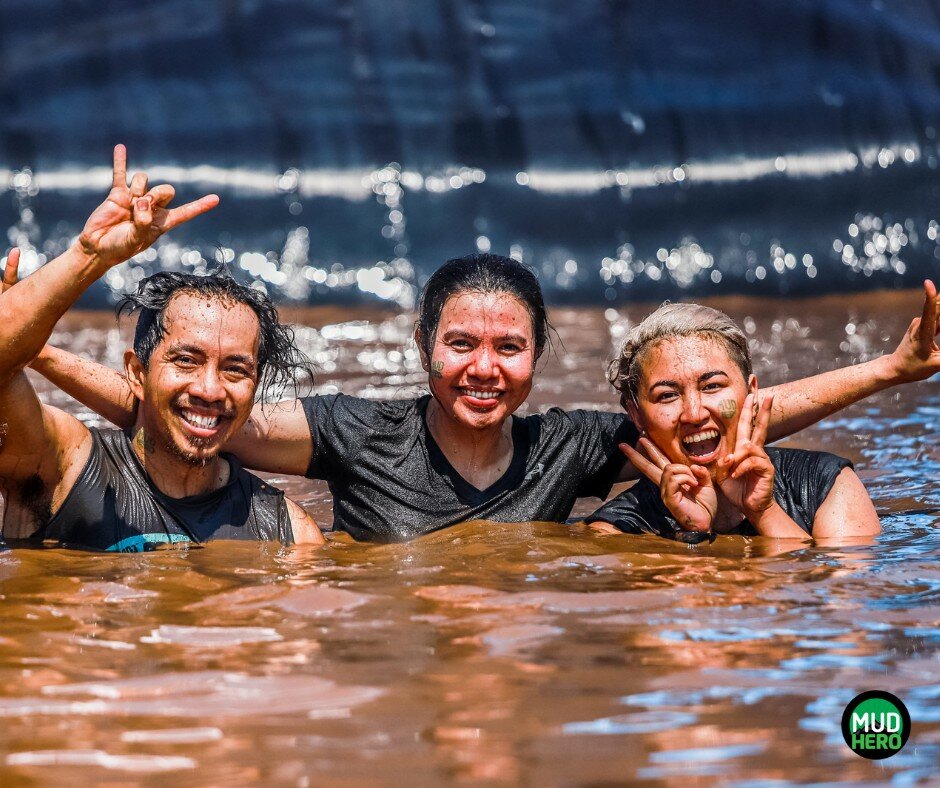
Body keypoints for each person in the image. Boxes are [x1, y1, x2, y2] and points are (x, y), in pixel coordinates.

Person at [19, 250, 940, 542]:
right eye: (460, 344)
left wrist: (888, 374)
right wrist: (48, 355)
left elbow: (715, 414)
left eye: (509, 348)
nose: (483, 368)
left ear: (537, 360)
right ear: (425, 349)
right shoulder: (352, 431)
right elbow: (199, 416)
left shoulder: (571, 447)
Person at [0, 145, 322, 551]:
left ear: (254, 388)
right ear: (136, 373)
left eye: (235, 370)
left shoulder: (287, 533)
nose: (209, 390)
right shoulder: (63, 466)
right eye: (186, 361)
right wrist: (89, 258)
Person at [588, 303, 882, 542]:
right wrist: (695, 533)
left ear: (751, 392)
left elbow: (838, 603)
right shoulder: (616, 529)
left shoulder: (826, 485)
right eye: (667, 395)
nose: (694, 414)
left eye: (712, 386)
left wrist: (764, 513)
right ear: (636, 414)